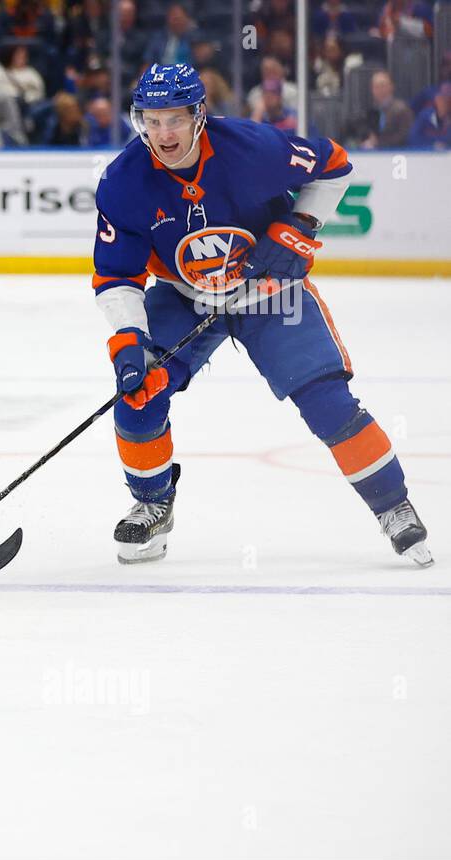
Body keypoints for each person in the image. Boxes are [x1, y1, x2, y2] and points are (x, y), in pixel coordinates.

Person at [92, 64, 431, 567]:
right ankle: (152, 503)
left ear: (198, 117)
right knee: (139, 397)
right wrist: (127, 341)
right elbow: (116, 276)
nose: (163, 134)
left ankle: (393, 506)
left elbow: (335, 165)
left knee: (327, 401)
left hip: (272, 293)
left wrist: (298, 225)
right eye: (152, 121)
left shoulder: (251, 149)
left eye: (175, 120)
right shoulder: (124, 182)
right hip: (185, 296)